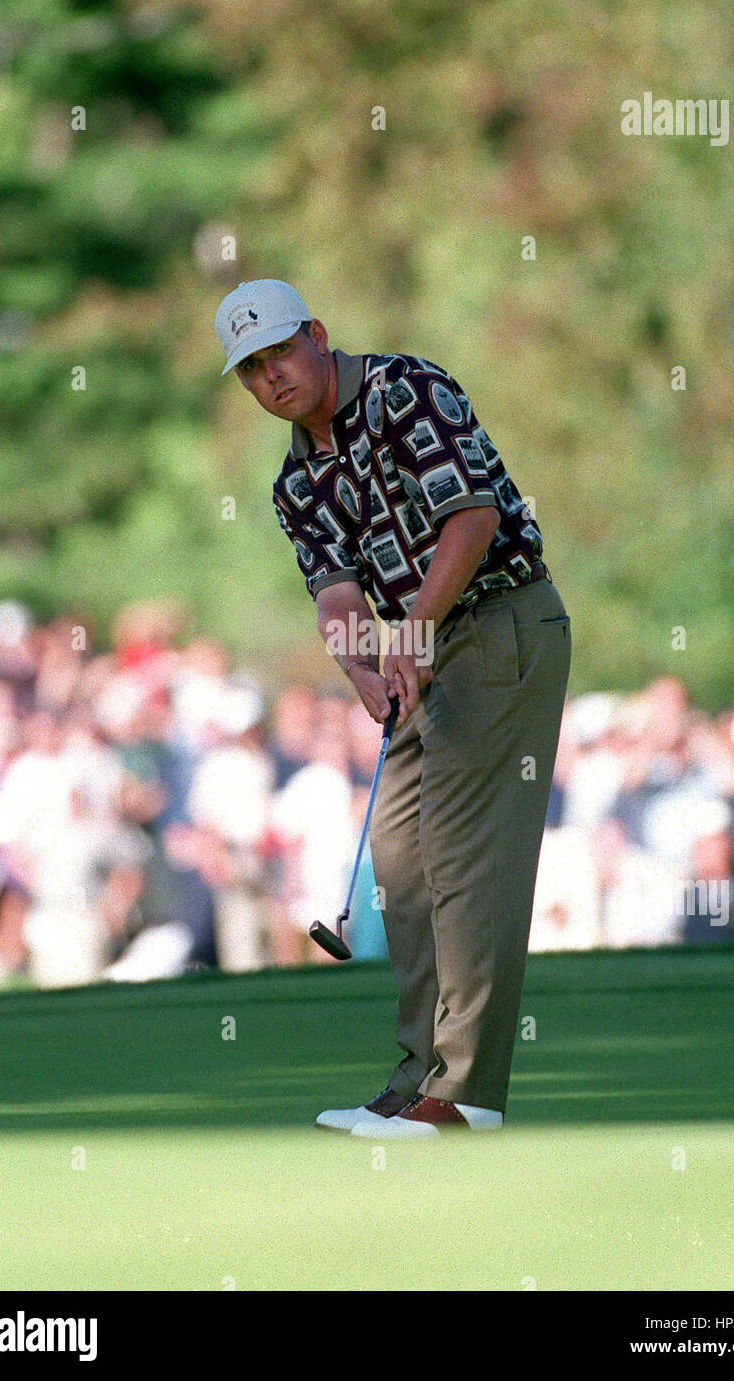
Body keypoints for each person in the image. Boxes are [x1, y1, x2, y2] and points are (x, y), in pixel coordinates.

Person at [215, 279, 571, 1138]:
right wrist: (364, 669)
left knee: (459, 853)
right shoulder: (296, 482)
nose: (272, 379)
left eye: (280, 354)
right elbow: (336, 596)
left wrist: (411, 630)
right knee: (397, 855)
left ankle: (465, 1091)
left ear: (317, 336)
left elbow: (472, 519)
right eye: (251, 370)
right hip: (423, 646)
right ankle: (419, 1076)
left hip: (498, 623)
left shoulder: (406, 390)